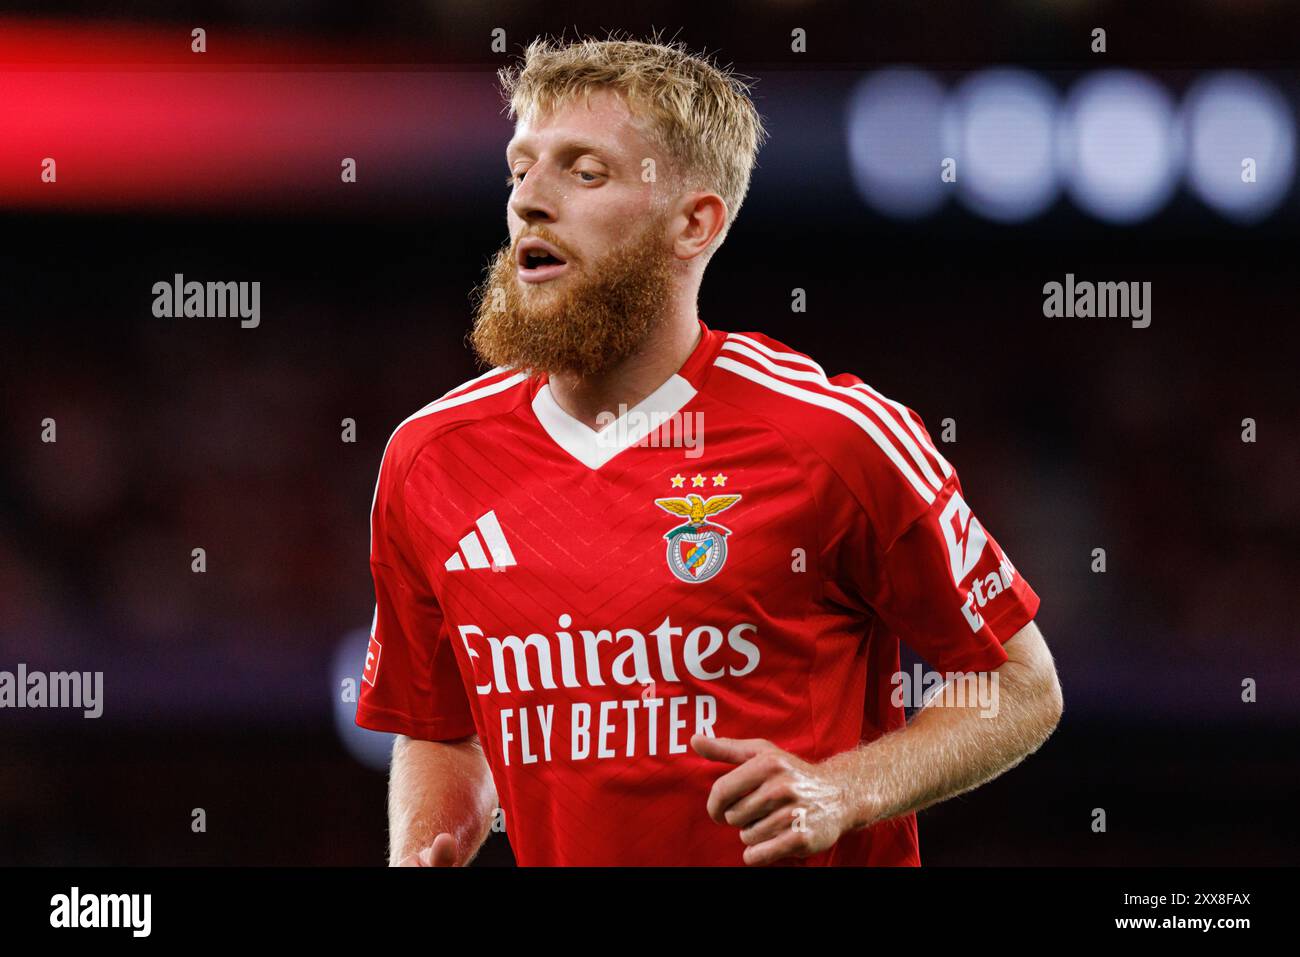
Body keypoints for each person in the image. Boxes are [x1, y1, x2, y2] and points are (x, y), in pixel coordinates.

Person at [355, 35, 1063, 866]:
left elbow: (1020, 684)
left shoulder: (834, 438)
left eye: (584, 172)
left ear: (694, 221)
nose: (528, 203)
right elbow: (439, 727)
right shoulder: (430, 459)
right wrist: (422, 849)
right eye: (521, 168)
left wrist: (844, 788)